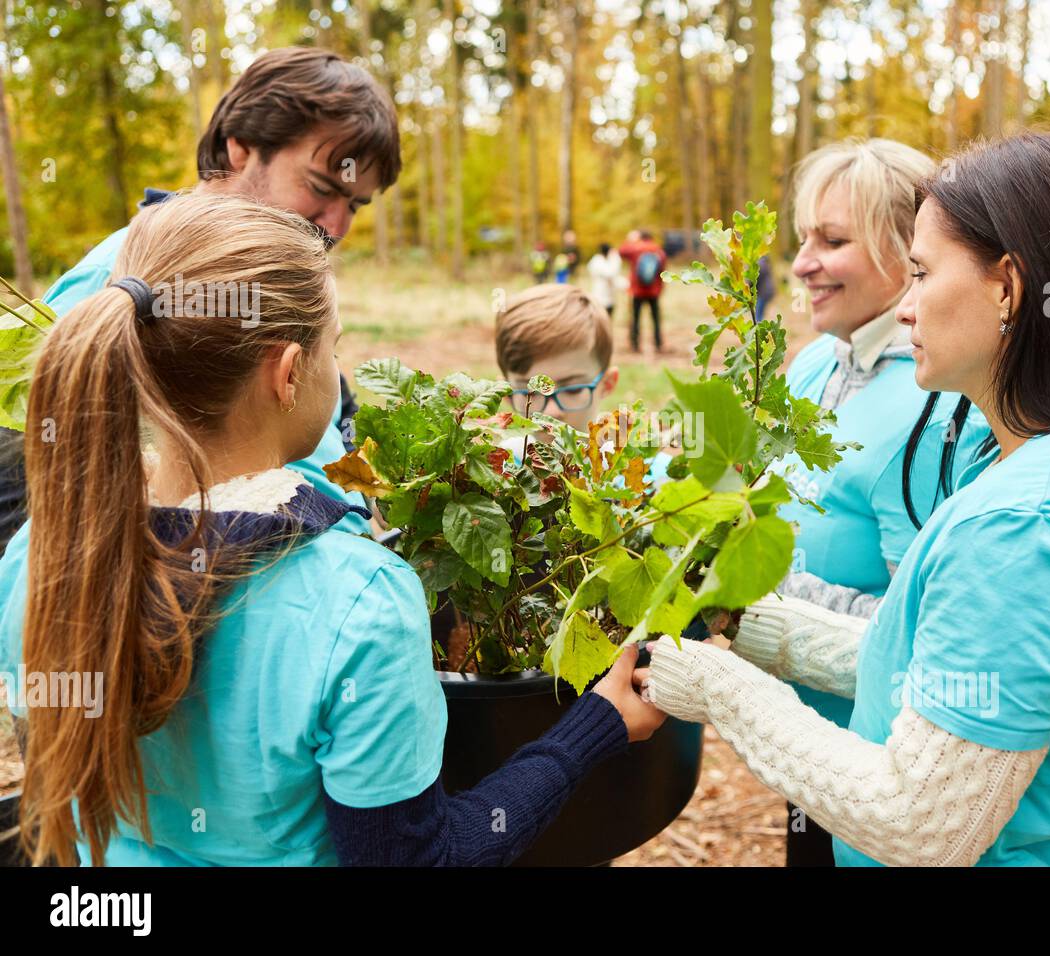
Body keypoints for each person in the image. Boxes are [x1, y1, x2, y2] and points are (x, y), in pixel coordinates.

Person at [0, 191, 663, 868]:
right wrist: (593, 729)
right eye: (333, 347)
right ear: (290, 375)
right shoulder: (360, 604)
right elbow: (421, 861)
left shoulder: (40, 554)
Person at [637, 131, 1050, 868]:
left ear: (1008, 289)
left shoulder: (1027, 528)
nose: (906, 308)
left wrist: (714, 685)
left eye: (923, 273)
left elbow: (919, 823)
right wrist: (752, 624)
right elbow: (939, 659)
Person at [3, 46, 396, 541]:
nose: (336, 226)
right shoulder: (131, 282)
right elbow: (19, 490)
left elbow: (331, 425)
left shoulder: (270, 282)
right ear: (242, 147)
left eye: (355, 205)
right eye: (321, 186)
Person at [763, 138, 990, 866]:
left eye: (832, 241)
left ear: (908, 251)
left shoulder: (939, 407)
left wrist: (765, 602)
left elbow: (919, 630)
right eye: (803, 239)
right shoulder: (810, 365)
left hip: (875, 764)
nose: (802, 264)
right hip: (802, 738)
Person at [496, 284, 619, 430]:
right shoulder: (496, 452)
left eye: (573, 389)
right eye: (531, 394)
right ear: (506, 394)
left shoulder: (631, 452)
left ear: (607, 384)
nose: (551, 413)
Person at [618, 230, 668, 354]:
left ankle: (635, 344)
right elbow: (663, 270)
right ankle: (658, 344)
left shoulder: (636, 248)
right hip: (654, 291)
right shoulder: (658, 250)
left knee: (635, 317)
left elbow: (621, 251)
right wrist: (661, 288)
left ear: (640, 237)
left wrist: (631, 240)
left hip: (637, 291)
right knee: (655, 318)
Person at [586, 242, 622, 319]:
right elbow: (611, 274)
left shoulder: (600, 261)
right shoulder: (598, 261)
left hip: (608, 297)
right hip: (600, 297)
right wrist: (616, 258)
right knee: (600, 319)